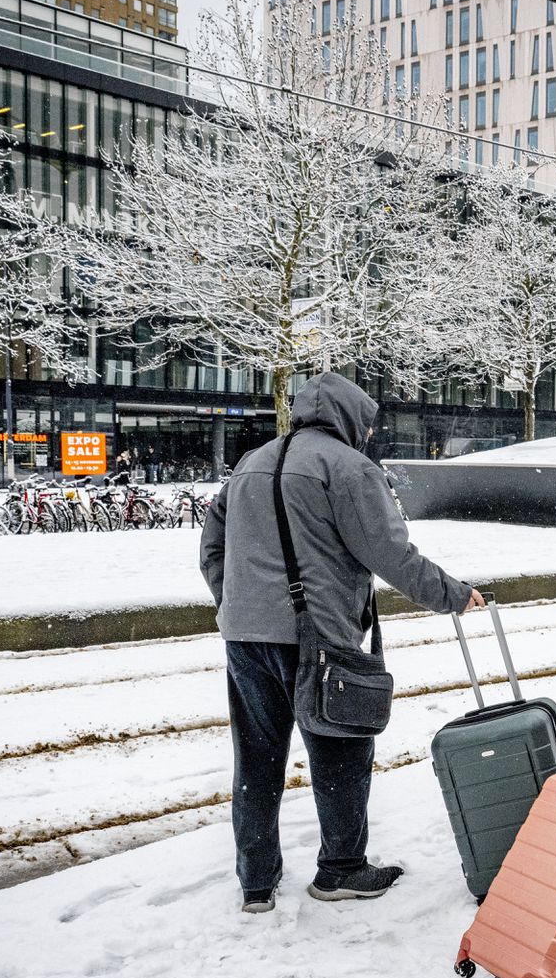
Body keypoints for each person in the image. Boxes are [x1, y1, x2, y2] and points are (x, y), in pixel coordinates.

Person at [200, 373, 484, 914]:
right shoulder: (349, 469)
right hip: (319, 636)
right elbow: (392, 555)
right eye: (368, 424)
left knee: (257, 759)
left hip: (244, 636)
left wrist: (237, 602)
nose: (370, 434)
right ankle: (342, 869)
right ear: (351, 419)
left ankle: (256, 882)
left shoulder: (250, 463)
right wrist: (455, 595)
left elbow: (212, 548)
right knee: (342, 750)